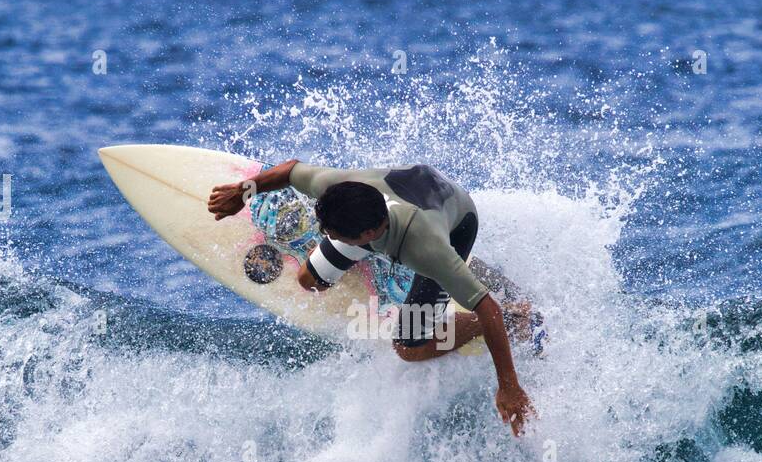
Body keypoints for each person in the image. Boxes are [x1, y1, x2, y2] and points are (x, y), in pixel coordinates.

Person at [208, 160, 537, 436]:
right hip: (399, 198)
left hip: (454, 221)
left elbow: (487, 306)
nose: (326, 234)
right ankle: (394, 265)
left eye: (331, 232)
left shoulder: (426, 250)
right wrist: (243, 192)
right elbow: (291, 170)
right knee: (309, 281)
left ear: (365, 236)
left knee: (409, 348)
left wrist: (508, 385)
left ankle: (504, 305)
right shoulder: (336, 185)